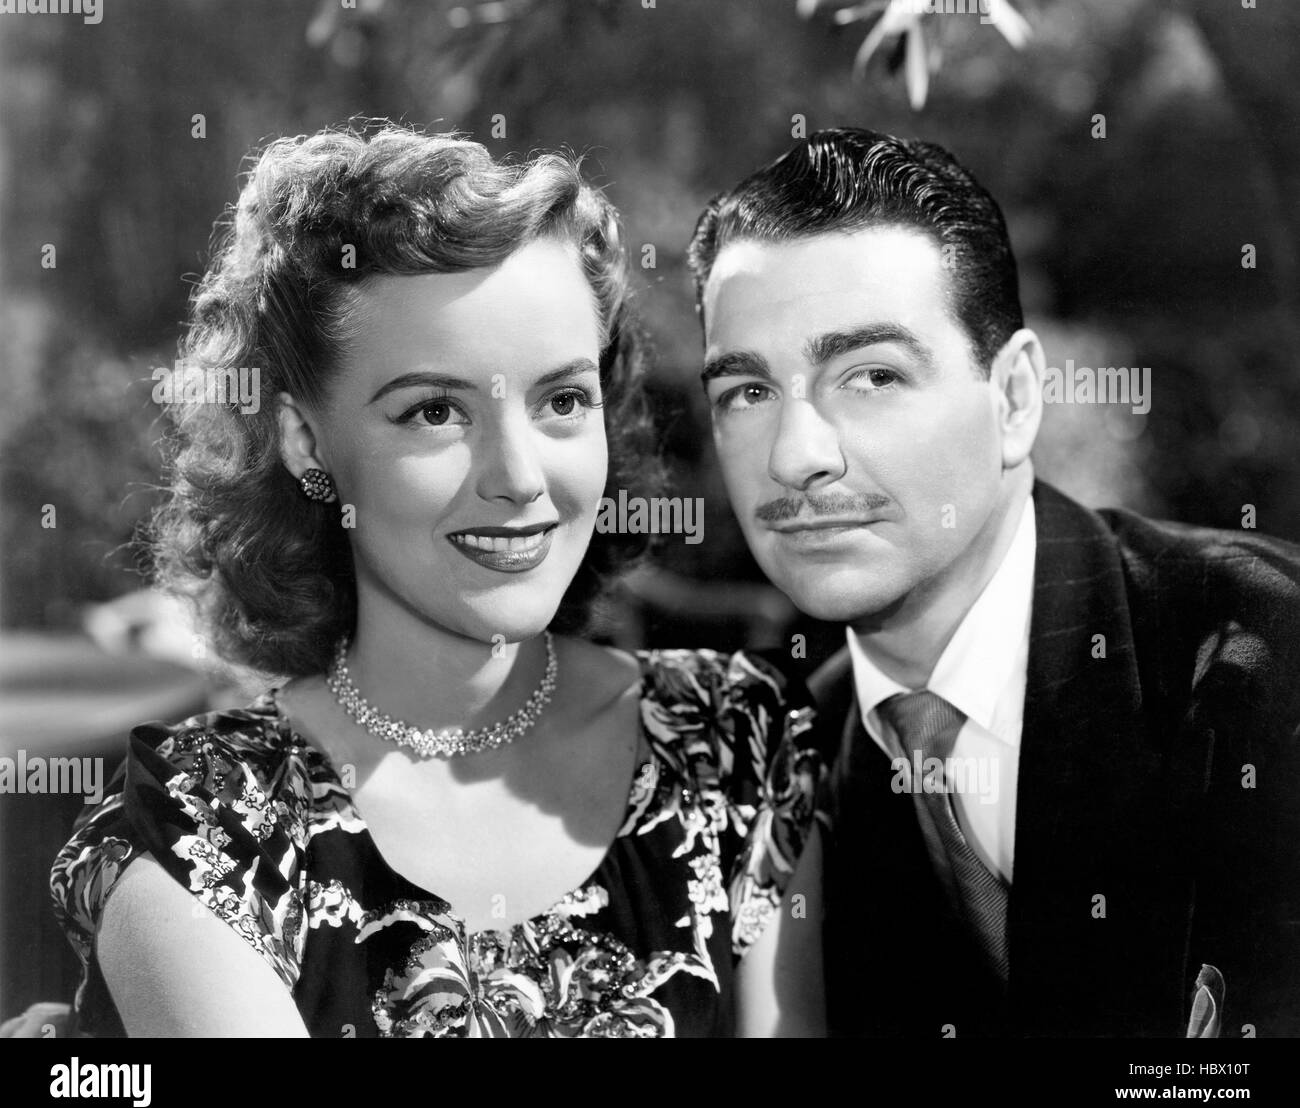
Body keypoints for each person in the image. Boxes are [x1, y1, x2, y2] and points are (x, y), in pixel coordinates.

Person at [47, 123, 825, 1038]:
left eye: (561, 400)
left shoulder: (737, 744)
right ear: (306, 442)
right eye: (434, 410)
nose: (521, 476)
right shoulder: (199, 831)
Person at [686, 127, 1300, 1038]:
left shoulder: (1260, 654)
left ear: (1013, 399)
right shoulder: (782, 780)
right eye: (746, 391)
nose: (796, 455)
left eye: (872, 375)